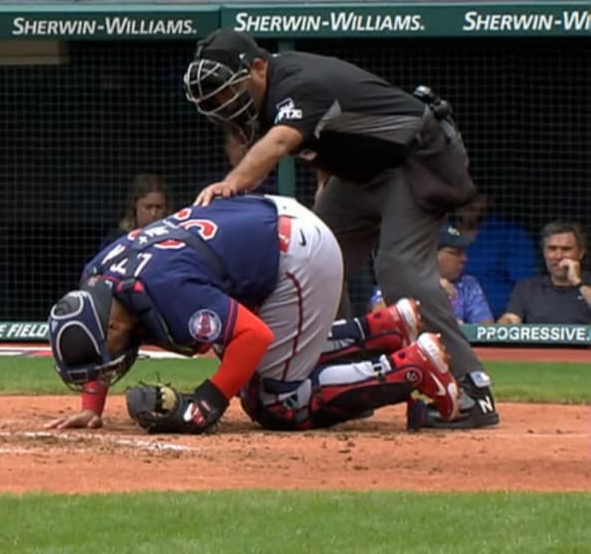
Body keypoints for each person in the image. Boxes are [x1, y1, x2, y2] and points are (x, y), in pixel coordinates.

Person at [183, 29, 497, 429]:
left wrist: (233, 183)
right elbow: (329, 144)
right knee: (313, 257)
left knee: (400, 270)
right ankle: (350, 382)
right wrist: (323, 199)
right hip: (360, 174)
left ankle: (473, 389)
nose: (222, 102)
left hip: (414, 160)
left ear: (258, 68)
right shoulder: (265, 103)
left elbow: (281, 142)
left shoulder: (297, 83)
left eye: (226, 90)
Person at [43, 195, 458, 433]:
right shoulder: (98, 278)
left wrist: (207, 402)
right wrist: (92, 405)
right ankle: (384, 328)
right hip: (267, 222)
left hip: (296, 254)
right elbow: (102, 336)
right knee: (251, 368)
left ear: (113, 324)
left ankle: (414, 366)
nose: (104, 366)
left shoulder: (165, 292)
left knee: (275, 403)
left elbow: (253, 336)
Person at [372, 225, 493, 326]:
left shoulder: (468, 285)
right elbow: (377, 318)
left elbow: (486, 329)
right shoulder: (398, 281)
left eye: (463, 253)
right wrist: (426, 290)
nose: (464, 259)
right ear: (431, 254)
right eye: (455, 253)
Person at [497, 222, 591, 325]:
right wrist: (503, 324)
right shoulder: (527, 288)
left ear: (581, 253)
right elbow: (512, 318)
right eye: (552, 249)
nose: (558, 256)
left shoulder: (586, 286)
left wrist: (577, 282)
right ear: (544, 252)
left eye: (566, 249)